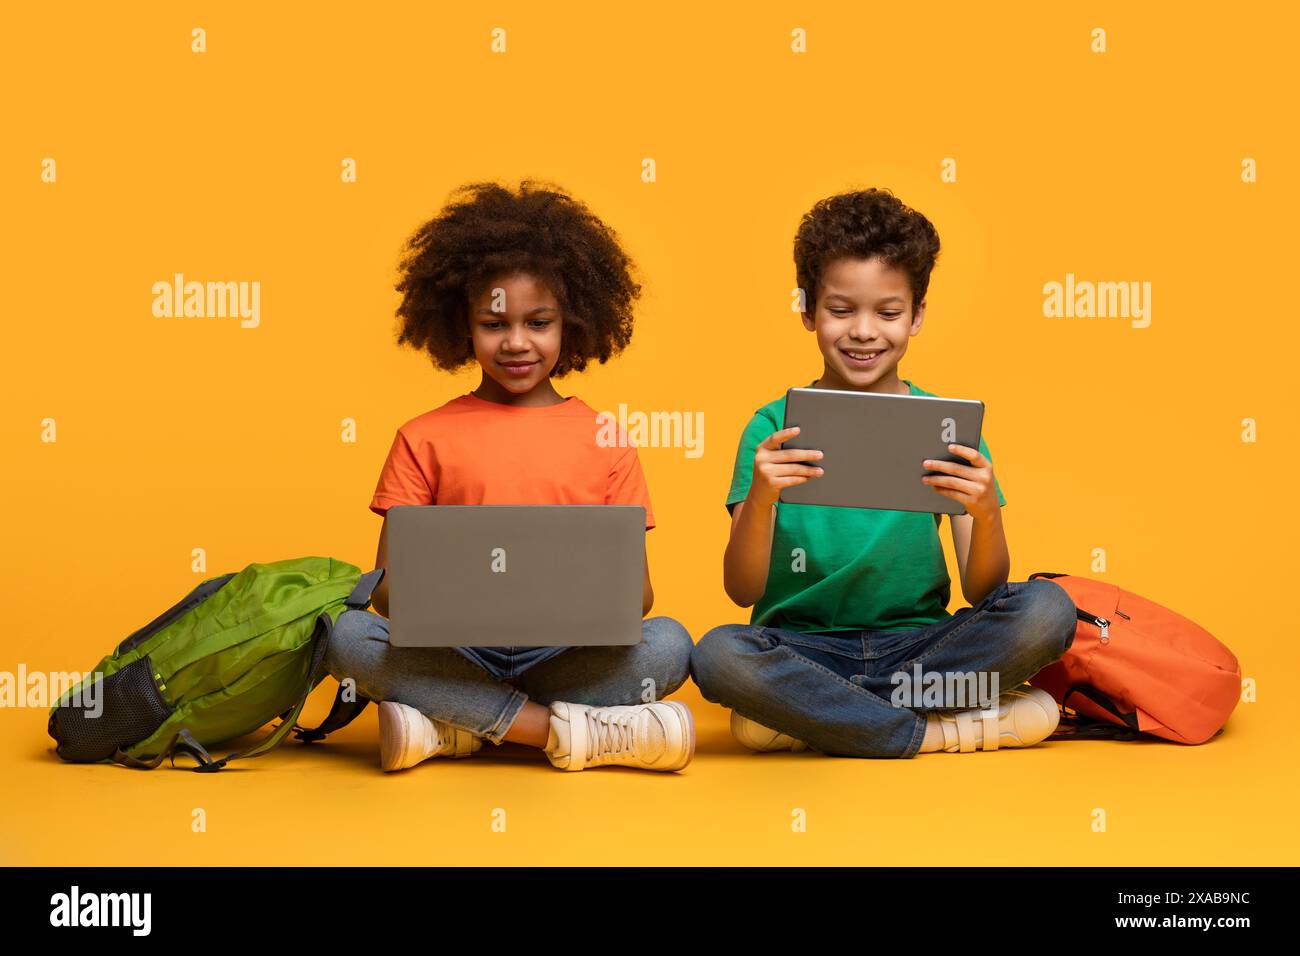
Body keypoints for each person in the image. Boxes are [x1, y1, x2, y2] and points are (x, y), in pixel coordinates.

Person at [690, 187, 1077, 757]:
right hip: (801, 649)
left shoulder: (948, 429)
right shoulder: (770, 428)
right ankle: (935, 729)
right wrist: (764, 498)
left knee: (1047, 610)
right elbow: (740, 588)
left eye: (888, 313)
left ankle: (821, 715)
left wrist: (986, 511)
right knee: (718, 655)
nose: (864, 331)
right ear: (807, 311)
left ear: (917, 316)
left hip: (919, 647)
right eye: (841, 311)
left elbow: (984, 589)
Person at [328, 180, 695, 773]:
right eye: (494, 325)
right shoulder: (421, 437)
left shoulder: (608, 438)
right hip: (456, 653)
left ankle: (458, 726)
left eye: (539, 322)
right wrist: (454, 597)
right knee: (344, 637)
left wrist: (577, 597)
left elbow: (641, 599)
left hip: (563, 656)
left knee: (671, 645)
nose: (517, 343)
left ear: (571, 325)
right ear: (461, 326)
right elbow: (387, 594)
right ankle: (563, 732)